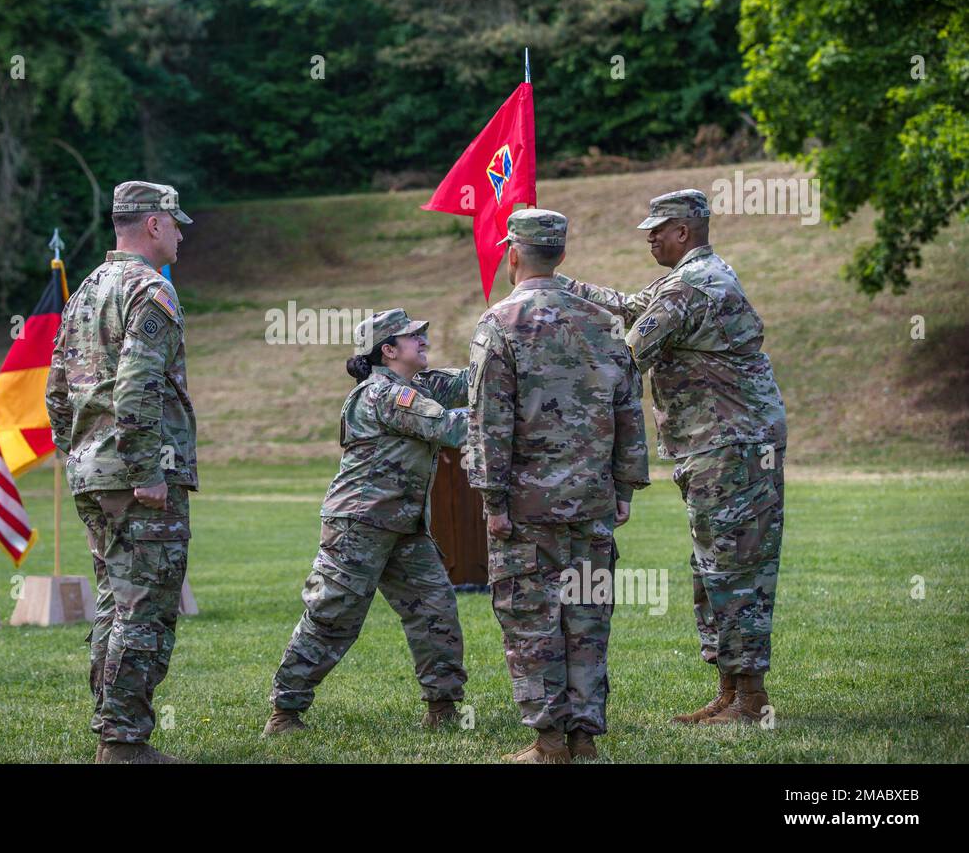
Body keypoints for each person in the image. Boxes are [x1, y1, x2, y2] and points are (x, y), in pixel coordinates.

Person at [559, 189, 787, 725]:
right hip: (719, 446)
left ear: (683, 232)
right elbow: (633, 306)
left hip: (730, 447)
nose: (650, 237)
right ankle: (731, 692)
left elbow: (626, 355)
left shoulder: (690, 288)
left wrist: (546, 369)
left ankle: (750, 698)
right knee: (713, 566)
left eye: (657, 230)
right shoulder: (691, 277)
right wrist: (558, 286)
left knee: (734, 567)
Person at [469, 209, 650, 763]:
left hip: (528, 506)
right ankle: (584, 738)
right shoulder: (604, 324)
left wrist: (492, 500)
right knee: (587, 618)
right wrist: (624, 488)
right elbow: (629, 414)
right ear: (562, 255)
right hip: (592, 502)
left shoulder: (500, 322)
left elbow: (488, 421)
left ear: (513, 254)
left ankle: (549, 742)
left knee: (531, 619)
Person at [46, 180, 197, 764]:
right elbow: (139, 383)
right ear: (153, 224)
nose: (181, 233)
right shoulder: (150, 289)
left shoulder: (86, 289)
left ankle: (114, 729)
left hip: (93, 472)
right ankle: (124, 742)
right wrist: (143, 468)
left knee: (115, 599)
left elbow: (56, 386)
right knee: (146, 604)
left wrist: (79, 451)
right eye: (176, 222)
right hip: (138, 476)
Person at [264, 309, 470, 735]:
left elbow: (475, 381)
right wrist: (510, 419)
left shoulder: (419, 385)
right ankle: (284, 713)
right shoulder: (383, 394)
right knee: (334, 616)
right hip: (359, 525)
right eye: (413, 337)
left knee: (435, 610)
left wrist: (514, 354)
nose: (424, 340)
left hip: (403, 526)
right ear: (388, 351)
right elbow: (450, 428)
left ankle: (443, 708)